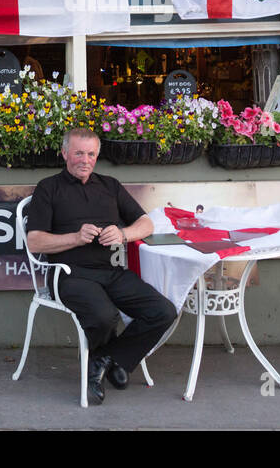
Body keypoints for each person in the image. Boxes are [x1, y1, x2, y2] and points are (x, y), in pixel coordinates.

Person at [25, 128, 178, 405]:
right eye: (78, 153)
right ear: (64, 154)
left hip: (110, 271)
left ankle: (106, 360)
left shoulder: (110, 185)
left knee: (163, 311)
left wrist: (123, 235)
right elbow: (34, 242)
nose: (85, 159)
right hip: (69, 274)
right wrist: (74, 237)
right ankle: (112, 364)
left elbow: (145, 223)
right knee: (105, 316)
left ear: (97, 156)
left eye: (91, 154)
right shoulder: (48, 188)